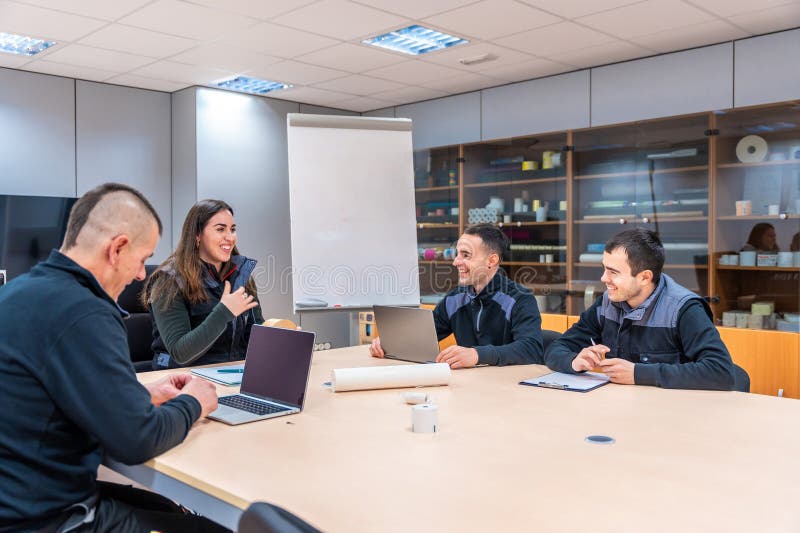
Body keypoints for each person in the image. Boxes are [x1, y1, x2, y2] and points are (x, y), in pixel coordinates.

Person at [0, 183, 224, 532]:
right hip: (48, 520)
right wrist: (195, 402)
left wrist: (140, 394)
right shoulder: (86, 312)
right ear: (118, 248)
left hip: (19, 495)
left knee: (161, 505)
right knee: (211, 526)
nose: (139, 275)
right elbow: (138, 440)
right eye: (142, 259)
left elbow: (51, 391)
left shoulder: (18, 292)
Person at [545, 228, 734, 390]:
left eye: (613, 272)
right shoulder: (606, 303)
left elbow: (721, 371)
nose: (604, 279)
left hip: (672, 416)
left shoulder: (684, 309)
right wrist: (573, 361)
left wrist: (638, 374)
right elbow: (556, 349)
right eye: (604, 269)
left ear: (644, 277)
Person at [370, 223, 543, 368]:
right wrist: (389, 342)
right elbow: (424, 334)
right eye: (457, 254)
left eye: (466, 255)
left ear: (491, 261)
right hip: (468, 387)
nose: (456, 262)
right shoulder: (455, 299)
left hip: (509, 390)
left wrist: (477, 355)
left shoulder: (520, 299)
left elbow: (531, 349)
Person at [143, 199, 264, 369]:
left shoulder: (241, 276)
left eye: (233, 229)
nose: (230, 237)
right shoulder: (168, 281)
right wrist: (224, 312)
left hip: (232, 375)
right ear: (197, 235)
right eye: (220, 229)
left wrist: (279, 338)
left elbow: (255, 335)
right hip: (181, 379)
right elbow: (180, 353)